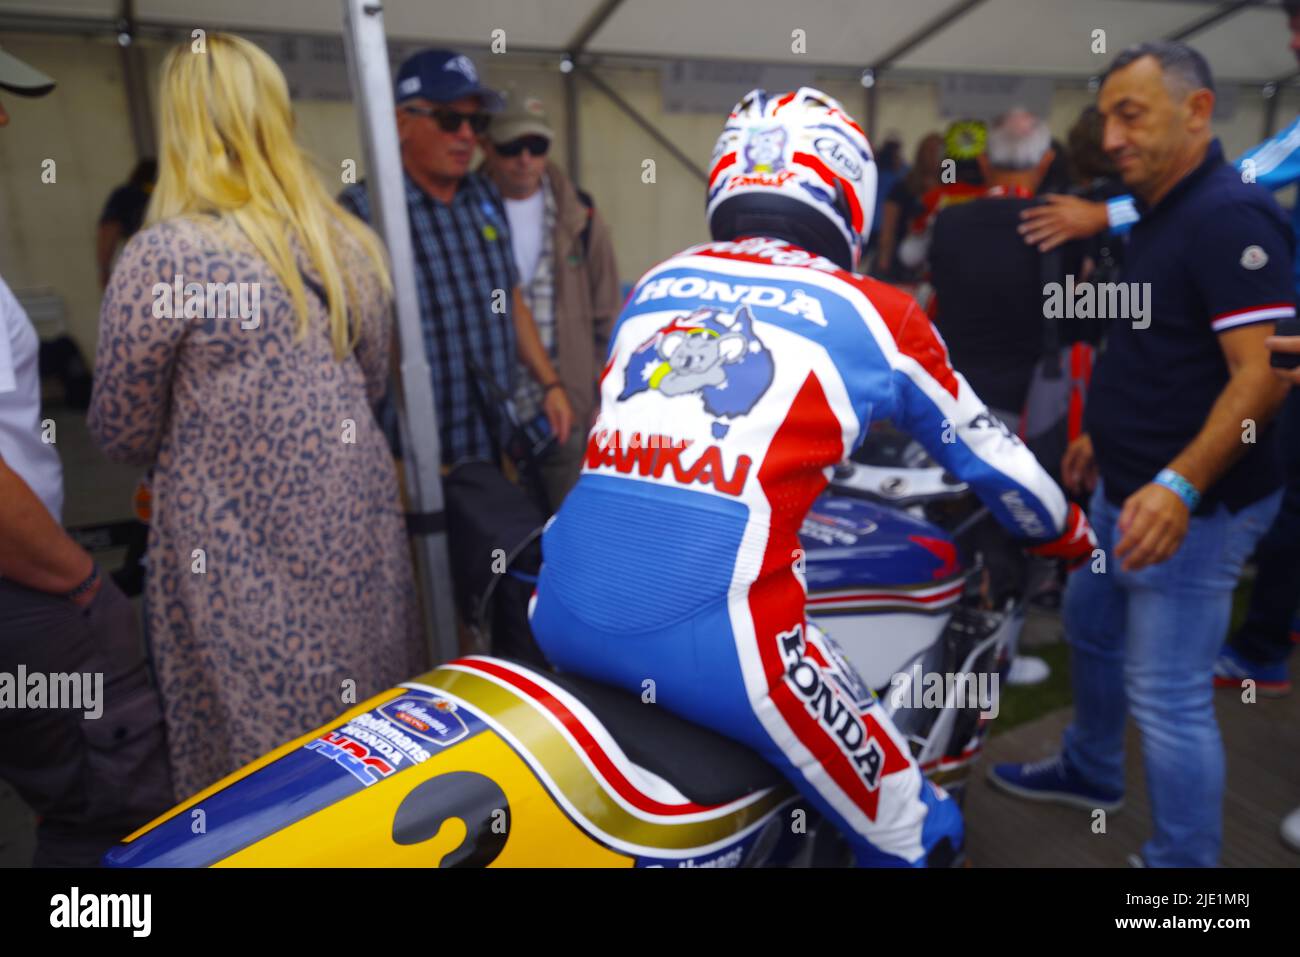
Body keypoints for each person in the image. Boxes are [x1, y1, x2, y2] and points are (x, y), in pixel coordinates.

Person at [528, 87, 1097, 866]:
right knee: (924, 833)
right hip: (729, 646)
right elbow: (994, 457)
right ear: (848, 189)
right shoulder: (880, 311)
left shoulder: (655, 284)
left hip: (555, 605)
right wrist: (1069, 534)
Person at [87, 33, 426, 802]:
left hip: (235, 558)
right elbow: (368, 384)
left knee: (260, 775)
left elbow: (119, 430)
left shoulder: (165, 256)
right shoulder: (349, 241)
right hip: (356, 535)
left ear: (180, 127)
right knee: (368, 740)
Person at [989, 42, 1294, 868]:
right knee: (1090, 629)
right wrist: (1102, 434)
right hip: (1123, 482)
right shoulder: (1158, 208)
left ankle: (1184, 877)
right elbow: (1156, 342)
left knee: (1168, 697)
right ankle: (1090, 772)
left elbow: (1269, 372)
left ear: (1198, 112)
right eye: (1106, 117)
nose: (1113, 137)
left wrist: (1181, 484)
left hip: (1194, 508)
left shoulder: (1230, 215)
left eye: (1133, 114)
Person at [0, 43, 173, 865]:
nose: (4, 118)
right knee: (108, 803)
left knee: (73, 789)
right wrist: (76, 579)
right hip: (23, 578)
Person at [338, 50, 573, 471]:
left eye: (477, 123)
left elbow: (510, 297)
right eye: (450, 120)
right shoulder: (362, 212)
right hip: (406, 459)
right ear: (400, 121)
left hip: (492, 449)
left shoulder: (484, 197)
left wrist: (550, 384)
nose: (467, 135)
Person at [480, 93, 621, 508]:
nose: (525, 158)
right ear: (487, 147)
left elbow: (607, 315)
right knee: (497, 530)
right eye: (511, 147)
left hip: (567, 406)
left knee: (565, 522)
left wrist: (601, 399)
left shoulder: (581, 215)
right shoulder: (465, 209)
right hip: (490, 409)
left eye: (536, 146)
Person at [873, 132, 942, 281]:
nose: (934, 156)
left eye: (939, 152)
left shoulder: (949, 188)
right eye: (929, 151)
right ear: (921, 154)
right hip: (904, 260)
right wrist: (884, 261)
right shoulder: (904, 186)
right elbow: (888, 227)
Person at [96, 158, 156, 290]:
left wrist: (104, 269)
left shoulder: (126, 194)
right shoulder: (168, 196)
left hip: (143, 265)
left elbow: (109, 231)